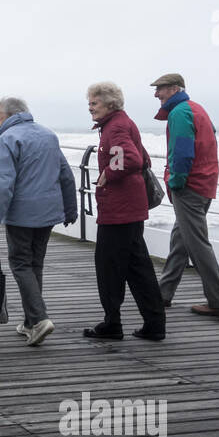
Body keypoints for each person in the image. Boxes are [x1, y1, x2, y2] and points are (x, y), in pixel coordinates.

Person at [0, 97, 78, 347]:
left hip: (21, 215)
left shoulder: (8, 139)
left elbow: (3, 185)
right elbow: (65, 174)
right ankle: (29, 323)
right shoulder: (48, 135)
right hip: (48, 213)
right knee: (35, 264)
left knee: (20, 263)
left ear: (11, 115)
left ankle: (39, 319)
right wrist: (71, 209)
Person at [84, 82, 166, 342]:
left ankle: (112, 323)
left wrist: (107, 173)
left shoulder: (116, 126)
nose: (90, 107)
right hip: (130, 207)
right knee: (137, 266)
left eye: (94, 103)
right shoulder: (120, 123)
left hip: (119, 210)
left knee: (108, 266)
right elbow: (141, 157)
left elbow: (131, 159)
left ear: (109, 103)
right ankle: (154, 324)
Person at [151, 73, 219, 318]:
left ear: (175, 89)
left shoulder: (179, 113)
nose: (156, 94)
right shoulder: (197, 109)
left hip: (190, 187)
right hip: (205, 183)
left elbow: (183, 152)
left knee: (197, 244)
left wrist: (176, 181)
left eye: (161, 89)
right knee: (181, 240)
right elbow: (210, 139)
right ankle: (163, 294)